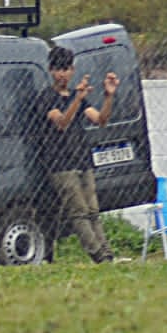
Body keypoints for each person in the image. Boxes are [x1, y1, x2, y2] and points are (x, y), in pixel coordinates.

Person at [32, 47, 115, 264]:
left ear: (73, 70)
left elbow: (100, 119)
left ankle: (106, 252)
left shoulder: (79, 97)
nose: (63, 75)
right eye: (59, 70)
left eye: (67, 69)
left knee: (93, 210)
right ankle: (98, 255)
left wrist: (108, 96)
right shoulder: (46, 97)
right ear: (51, 71)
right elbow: (61, 123)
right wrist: (77, 99)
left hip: (82, 159)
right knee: (78, 211)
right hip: (61, 164)